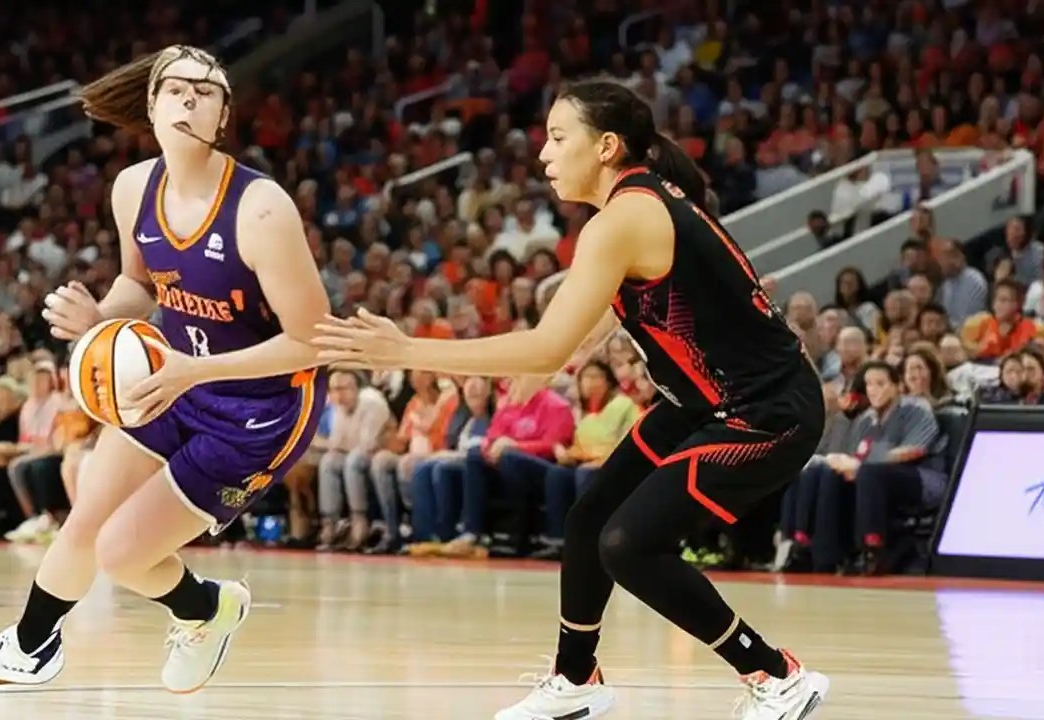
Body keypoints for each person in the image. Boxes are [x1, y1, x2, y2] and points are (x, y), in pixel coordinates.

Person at [313, 77, 830, 720]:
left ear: (607, 146)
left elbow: (543, 348)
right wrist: (575, 351)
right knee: (588, 520)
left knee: (629, 545)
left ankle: (776, 675)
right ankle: (576, 681)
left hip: (767, 412)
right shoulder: (635, 209)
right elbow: (617, 311)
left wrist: (405, 351)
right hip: (703, 403)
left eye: (558, 138)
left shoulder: (625, 218)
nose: (544, 154)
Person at [0, 46, 330, 694]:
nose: (189, 100)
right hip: (173, 378)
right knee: (85, 517)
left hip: (261, 409)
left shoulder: (262, 209)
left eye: (207, 91)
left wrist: (193, 369)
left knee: (122, 553)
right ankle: (31, 646)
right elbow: (142, 284)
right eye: (175, 90)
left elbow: (312, 342)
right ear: (151, 107)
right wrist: (100, 319)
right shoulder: (133, 188)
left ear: (224, 117)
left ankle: (208, 611)